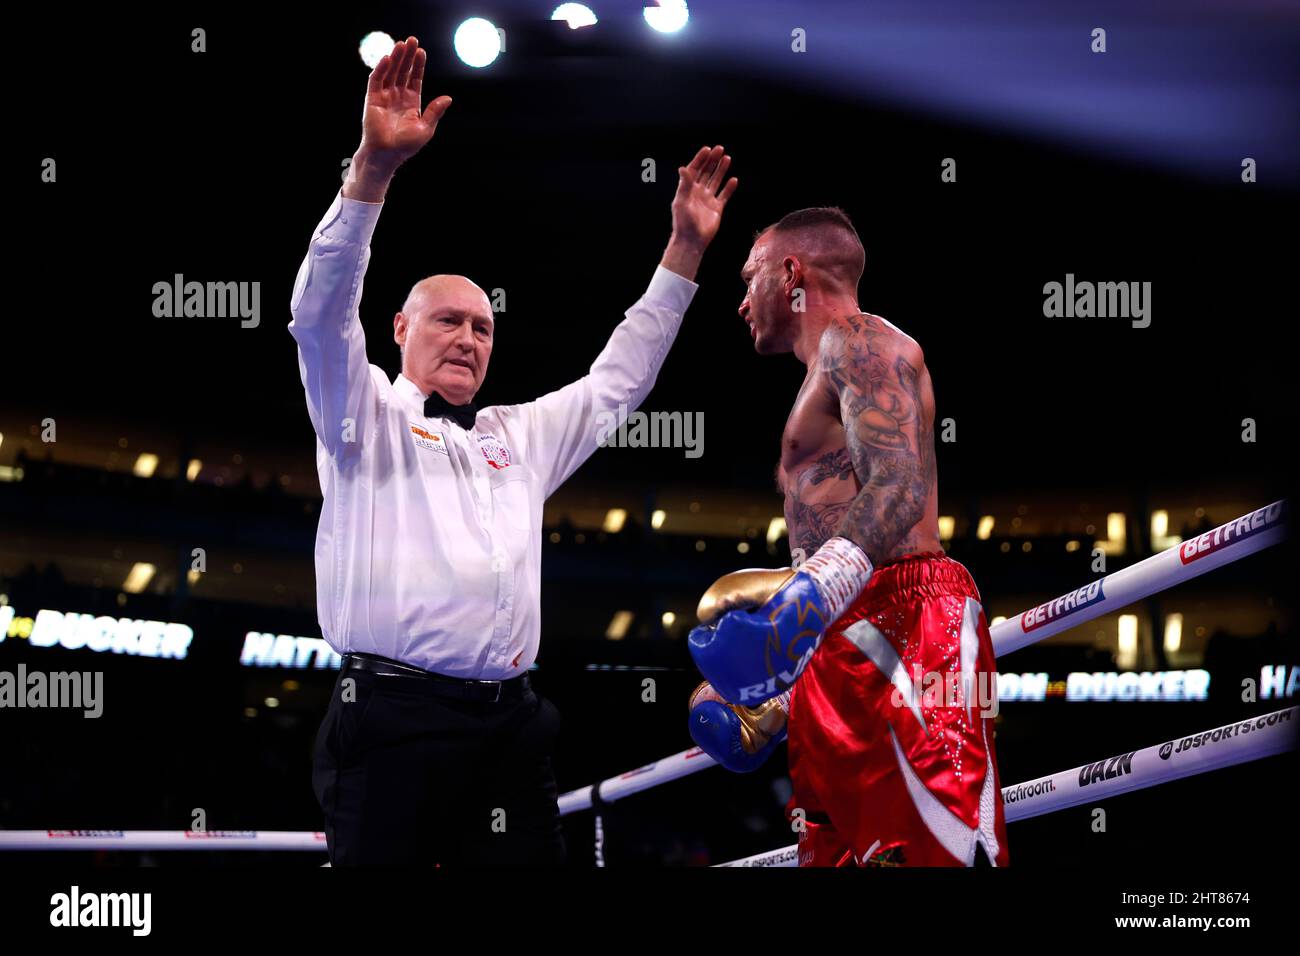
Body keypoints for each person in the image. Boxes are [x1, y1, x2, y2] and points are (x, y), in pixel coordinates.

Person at [289, 35, 737, 865]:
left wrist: (684, 250)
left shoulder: (517, 435)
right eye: (448, 321)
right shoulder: (362, 416)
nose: (467, 338)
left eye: (483, 327)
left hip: (511, 725)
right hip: (391, 721)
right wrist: (372, 174)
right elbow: (318, 318)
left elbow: (617, 381)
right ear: (400, 330)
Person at [686, 207, 1008, 866]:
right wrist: (784, 677)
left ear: (791, 273)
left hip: (909, 626)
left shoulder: (858, 340)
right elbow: (837, 533)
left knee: (931, 856)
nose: (742, 301)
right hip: (840, 635)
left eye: (750, 279)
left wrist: (805, 605)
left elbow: (897, 487)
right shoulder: (815, 380)